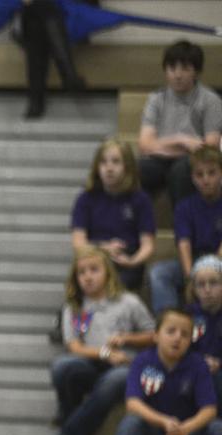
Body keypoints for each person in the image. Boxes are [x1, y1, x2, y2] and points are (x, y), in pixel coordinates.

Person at [94, 307, 222, 435]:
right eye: (171, 331)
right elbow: (133, 403)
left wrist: (186, 429)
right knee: (130, 422)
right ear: (155, 336)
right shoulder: (142, 361)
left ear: (191, 340)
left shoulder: (198, 365)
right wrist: (164, 422)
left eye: (185, 334)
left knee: (217, 429)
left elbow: (209, 410)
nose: (177, 338)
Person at [51, 246, 155, 435]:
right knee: (62, 366)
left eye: (94, 270)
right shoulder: (74, 306)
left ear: (107, 272)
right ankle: (69, 415)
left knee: (114, 381)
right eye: (82, 272)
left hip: (124, 365)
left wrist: (127, 338)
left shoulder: (129, 302)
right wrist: (105, 353)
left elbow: (154, 336)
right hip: (92, 362)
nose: (88, 277)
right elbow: (74, 347)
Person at [138, 40, 222, 211]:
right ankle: (135, 230)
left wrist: (163, 145)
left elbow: (210, 147)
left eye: (184, 68)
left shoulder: (210, 100)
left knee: (181, 171)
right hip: (161, 159)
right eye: (172, 68)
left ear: (196, 72)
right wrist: (181, 141)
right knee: (138, 169)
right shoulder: (156, 99)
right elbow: (145, 144)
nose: (177, 75)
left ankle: (184, 233)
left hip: (193, 161)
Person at [69, 137, 155, 293]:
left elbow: (147, 245)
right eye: (103, 162)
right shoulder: (86, 198)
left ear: (127, 167)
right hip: (93, 258)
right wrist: (103, 249)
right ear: (97, 167)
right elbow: (78, 242)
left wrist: (132, 261)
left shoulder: (140, 200)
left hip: (126, 263)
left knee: (115, 287)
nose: (109, 168)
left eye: (115, 162)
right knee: (83, 281)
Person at [150, 146, 222, 315]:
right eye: (199, 174)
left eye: (212, 173)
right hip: (194, 260)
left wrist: (212, 270)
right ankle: (170, 322)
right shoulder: (185, 207)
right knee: (159, 273)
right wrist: (191, 276)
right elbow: (184, 243)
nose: (206, 179)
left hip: (219, 260)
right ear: (192, 177)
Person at [186, 255, 222, 404]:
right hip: (194, 369)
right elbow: (179, 349)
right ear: (194, 289)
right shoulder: (187, 316)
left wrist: (219, 363)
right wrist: (199, 361)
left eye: (213, 283)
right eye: (201, 284)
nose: (207, 290)